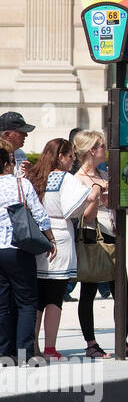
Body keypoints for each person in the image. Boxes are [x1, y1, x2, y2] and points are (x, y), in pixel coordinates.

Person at [72, 130, 128, 359]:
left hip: (112, 234)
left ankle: (122, 340)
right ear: (92, 150)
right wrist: (98, 193)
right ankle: (91, 343)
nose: (105, 148)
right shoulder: (78, 179)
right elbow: (86, 216)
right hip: (92, 235)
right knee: (88, 291)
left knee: (122, 291)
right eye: (101, 145)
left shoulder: (104, 172)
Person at [28, 139, 97, 360]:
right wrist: (97, 186)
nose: (72, 162)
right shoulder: (64, 178)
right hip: (59, 235)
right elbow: (82, 203)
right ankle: (50, 348)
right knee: (54, 298)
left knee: (37, 298)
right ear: (60, 157)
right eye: (70, 157)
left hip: (37, 238)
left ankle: (33, 346)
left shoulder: (35, 176)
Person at [0, 139, 56, 365]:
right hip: (18, 248)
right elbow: (40, 215)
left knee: (3, 303)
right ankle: (25, 352)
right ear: (8, 162)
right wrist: (51, 239)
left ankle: (4, 352)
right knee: (26, 302)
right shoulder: (20, 185)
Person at [0, 111, 36, 178]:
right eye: (21, 132)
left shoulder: (20, 153)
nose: (26, 135)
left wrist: (29, 173)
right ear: (7, 134)